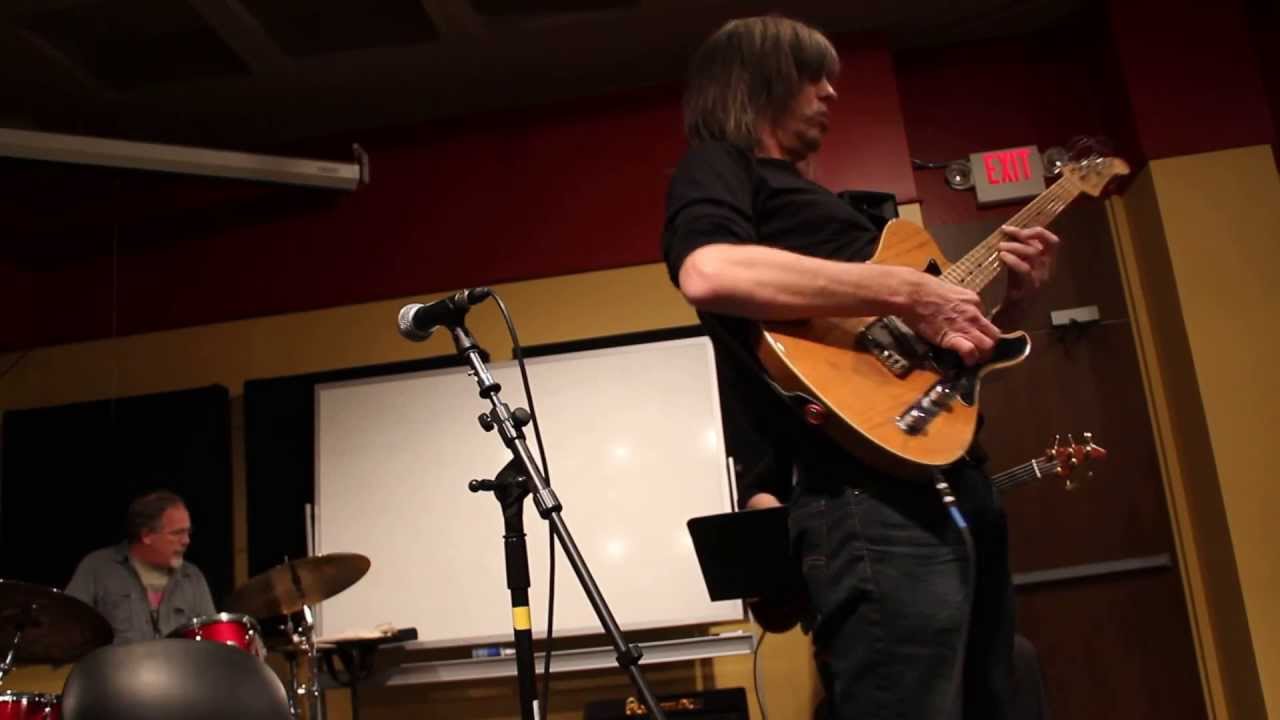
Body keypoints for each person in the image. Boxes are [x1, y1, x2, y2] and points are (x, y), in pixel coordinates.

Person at [662, 16, 1059, 720]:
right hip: (865, 501)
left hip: (954, 484)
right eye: (812, 75)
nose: (831, 91)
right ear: (761, 82)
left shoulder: (833, 215)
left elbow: (943, 367)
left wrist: (1016, 302)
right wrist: (906, 290)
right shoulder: (720, 166)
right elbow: (708, 270)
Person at [66, 490, 216, 644]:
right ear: (146, 535)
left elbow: (212, 640)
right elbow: (66, 628)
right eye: (177, 533)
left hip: (180, 661)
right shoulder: (97, 567)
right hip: (115, 660)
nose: (186, 540)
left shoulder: (192, 577)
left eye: (188, 532)